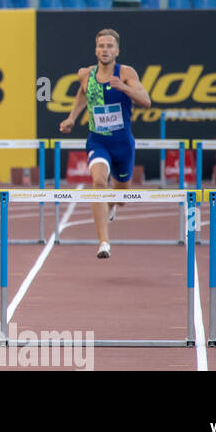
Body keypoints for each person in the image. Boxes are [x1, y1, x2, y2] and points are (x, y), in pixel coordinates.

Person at [58, 29, 152, 260]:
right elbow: (82, 94)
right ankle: (104, 242)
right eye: (101, 46)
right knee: (98, 181)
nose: (105, 50)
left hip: (123, 144)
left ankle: (110, 206)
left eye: (109, 46)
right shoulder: (85, 74)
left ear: (117, 50)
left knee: (121, 197)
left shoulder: (126, 73)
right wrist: (72, 117)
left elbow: (146, 101)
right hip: (97, 140)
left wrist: (124, 88)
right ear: (96, 49)